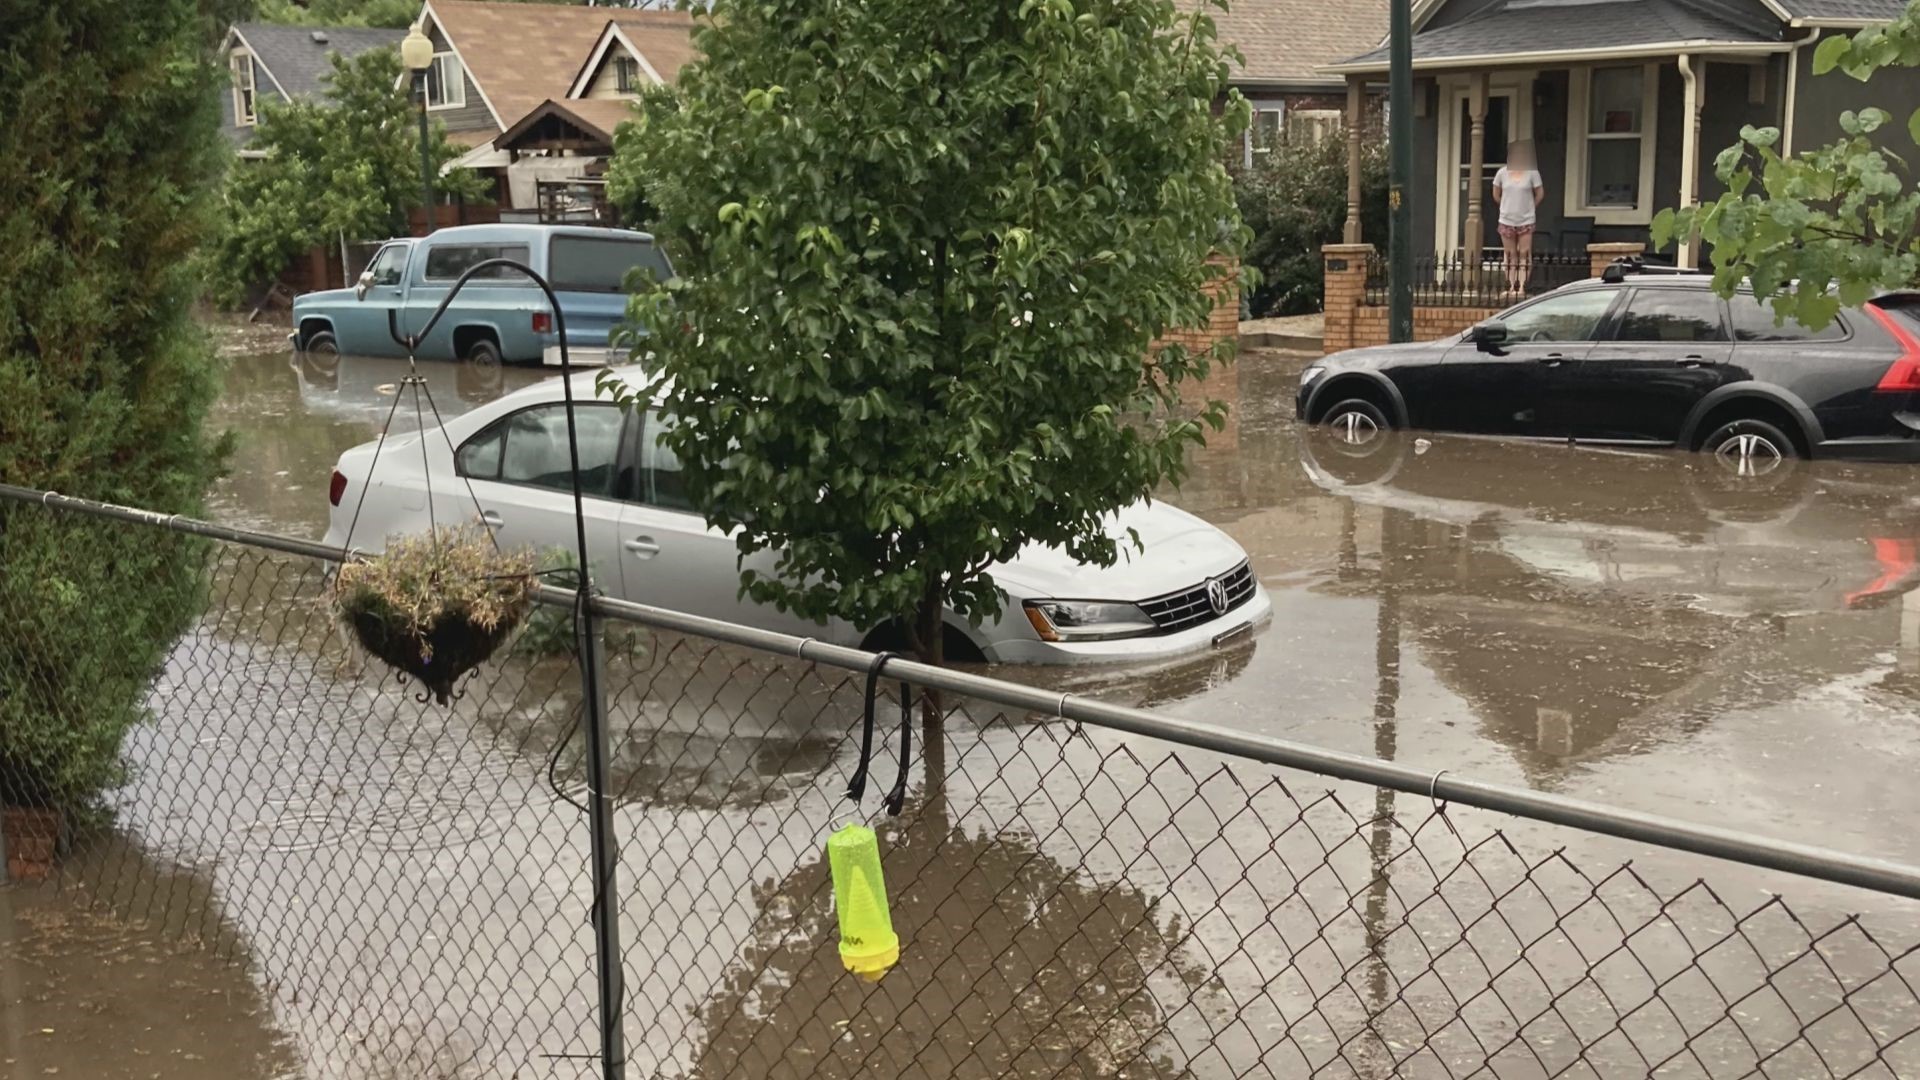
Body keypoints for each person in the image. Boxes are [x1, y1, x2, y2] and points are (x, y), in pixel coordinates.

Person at [1491, 142, 1544, 298]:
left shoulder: (1532, 173)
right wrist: (1506, 206)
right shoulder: (1502, 173)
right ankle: (1511, 286)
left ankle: (1521, 287)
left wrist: (1530, 207)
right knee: (1510, 253)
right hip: (1507, 219)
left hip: (1526, 219)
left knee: (1524, 252)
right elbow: (1496, 194)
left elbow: (1539, 194)